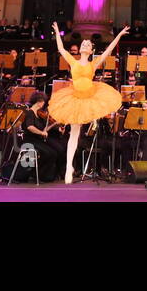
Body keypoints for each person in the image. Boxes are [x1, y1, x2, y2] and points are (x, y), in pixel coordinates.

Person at [47, 22, 129, 183]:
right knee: (74, 133)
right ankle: (69, 167)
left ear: (91, 50)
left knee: (87, 129)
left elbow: (108, 51)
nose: (85, 44)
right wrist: (57, 32)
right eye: (83, 43)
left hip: (90, 97)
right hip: (76, 98)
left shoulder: (94, 63)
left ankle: (93, 134)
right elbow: (62, 49)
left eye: (88, 44)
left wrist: (118, 35)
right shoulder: (73, 62)